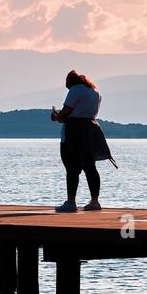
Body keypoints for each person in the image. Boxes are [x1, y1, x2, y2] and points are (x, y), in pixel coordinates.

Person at [50, 69, 114, 212]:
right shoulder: (94, 91)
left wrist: (56, 116)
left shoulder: (75, 90)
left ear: (70, 82)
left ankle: (71, 202)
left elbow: (65, 113)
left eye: (67, 85)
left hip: (74, 132)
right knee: (90, 167)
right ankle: (95, 201)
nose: (68, 88)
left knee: (71, 167)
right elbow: (84, 112)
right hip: (91, 130)